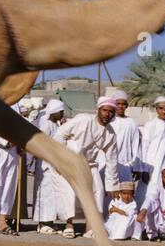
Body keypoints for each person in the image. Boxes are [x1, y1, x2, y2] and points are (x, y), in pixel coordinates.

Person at [55, 98, 121, 237]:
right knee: (70, 192)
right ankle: (69, 225)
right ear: (98, 110)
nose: (107, 114)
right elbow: (61, 134)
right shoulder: (83, 119)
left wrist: (112, 185)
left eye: (111, 112)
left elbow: (112, 160)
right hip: (70, 162)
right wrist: (59, 159)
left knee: (99, 190)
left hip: (90, 164)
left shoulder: (110, 133)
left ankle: (91, 227)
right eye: (104, 110)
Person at [34, 99, 77, 235]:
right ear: (55, 112)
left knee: (53, 194)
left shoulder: (55, 125)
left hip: (53, 164)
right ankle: (42, 223)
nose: (63, 114)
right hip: (45, 164)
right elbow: (41, 144)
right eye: (61, 112)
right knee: (45, 194)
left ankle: (50, 222)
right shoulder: (45, 125)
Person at [138, 96, 165, 198]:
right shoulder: (150, 124)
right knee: (149, 189)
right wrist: (144, 169)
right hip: (152, 163)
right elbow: (145, 146)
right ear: (156, 109)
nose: (164, 111)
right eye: (161, 108)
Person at [105, 89, 143, 206]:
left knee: (126, 194)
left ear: (126, 106)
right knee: (107, 193)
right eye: (118, 104)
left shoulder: (132, 123)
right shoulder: (108, 121)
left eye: (123, 104)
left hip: (126, 166)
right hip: (108, 164)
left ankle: (124, 220)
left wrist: (136, 166)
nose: (121, 106)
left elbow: (137, 145)